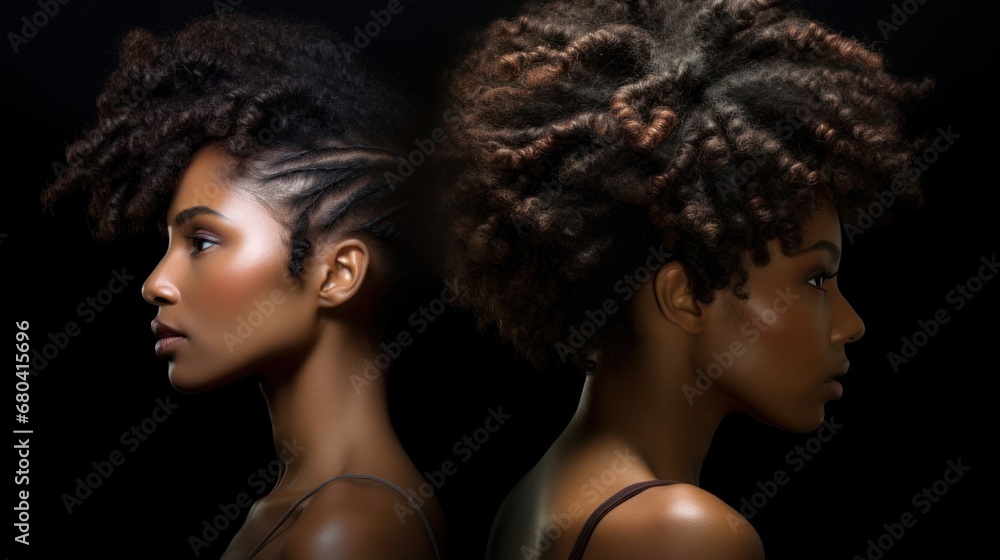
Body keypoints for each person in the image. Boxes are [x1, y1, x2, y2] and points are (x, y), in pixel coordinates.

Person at [436, 0, 932, 558]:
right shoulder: (682, 532)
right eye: (816, 279)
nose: (851, 324)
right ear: (687, 296)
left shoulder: (531, 501)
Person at [42, 13, 444, 560]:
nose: (156, 284)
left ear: (338, 274)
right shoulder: (298, 509)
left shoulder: (351, 529)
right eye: (168, 245)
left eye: (202, 242)